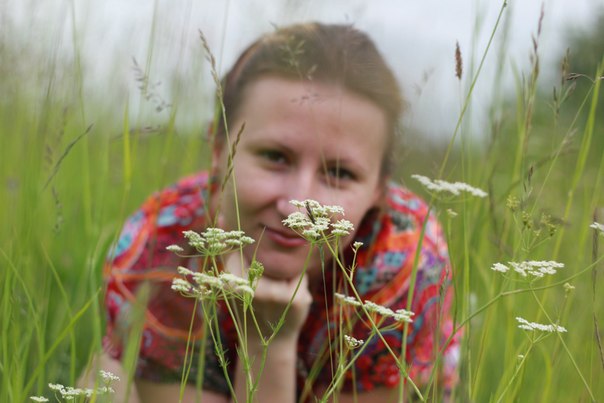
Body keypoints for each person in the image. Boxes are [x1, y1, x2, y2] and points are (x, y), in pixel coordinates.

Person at [82, 22, 459, 402]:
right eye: (275, 157)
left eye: (340, 173)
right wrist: (264, 336)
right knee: (104, 384)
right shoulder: (158, 249)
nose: (298, 203)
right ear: (219, 151)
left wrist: (269, 340)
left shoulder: (409, 265)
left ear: (379, 189)